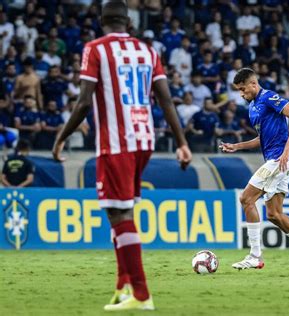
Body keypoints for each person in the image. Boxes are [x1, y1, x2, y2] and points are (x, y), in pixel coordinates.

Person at [52, 0, 192, 311]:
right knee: (121, 211)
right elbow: (166, 99)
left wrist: (61, 138)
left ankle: (141, 294)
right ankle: (122, 285)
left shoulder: (96, 49)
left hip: (116, 142)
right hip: (145, 139)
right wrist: (182, 142)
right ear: (128, 21)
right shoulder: (148, 51)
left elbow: (84, 102)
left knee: (118, 215)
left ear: (102, 20)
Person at [220, 68, 289, 274]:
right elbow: (262, 139)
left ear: (253, 84)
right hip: (278, 159)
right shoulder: (253, 108)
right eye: (238, 91)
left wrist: (286, 151)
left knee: (246, 199)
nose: (241, 94)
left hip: (280, 159)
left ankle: (255, 256)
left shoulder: (268, 97)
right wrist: (237, 146)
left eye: (243, 89)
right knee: (274, 214)